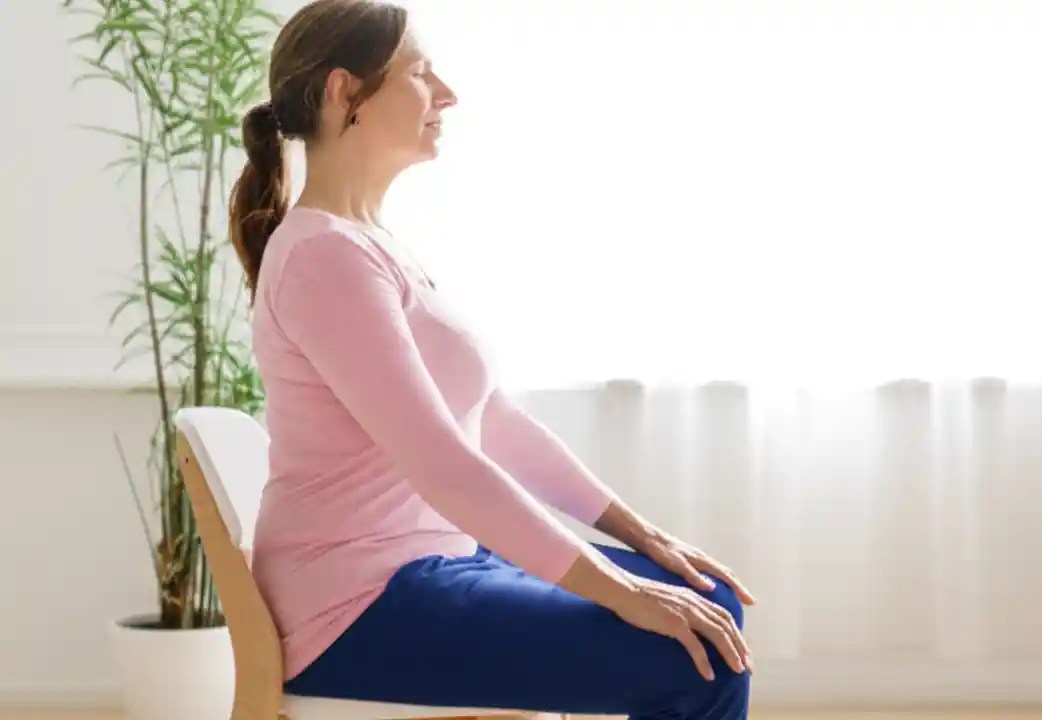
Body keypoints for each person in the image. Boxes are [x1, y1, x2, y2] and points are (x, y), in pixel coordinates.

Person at [226, 1, 754, 717]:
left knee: (707, 600)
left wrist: (644, 539)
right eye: (420, 73)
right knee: (695, 660)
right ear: (345, 93)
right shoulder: (324, 257)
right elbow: (444, 462)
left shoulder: (367, 242)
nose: (446, 93)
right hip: (356, 606)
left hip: (427, 566)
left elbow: (495, 423)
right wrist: (622, 591)